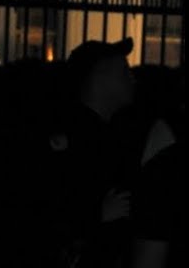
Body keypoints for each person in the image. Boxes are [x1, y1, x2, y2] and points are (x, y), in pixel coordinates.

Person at [47, 37, 143, 268]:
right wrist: (95, 216)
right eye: (124, 72)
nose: (132, 79)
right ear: (101, 79)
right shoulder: (75, 136)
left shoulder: (95, 132)